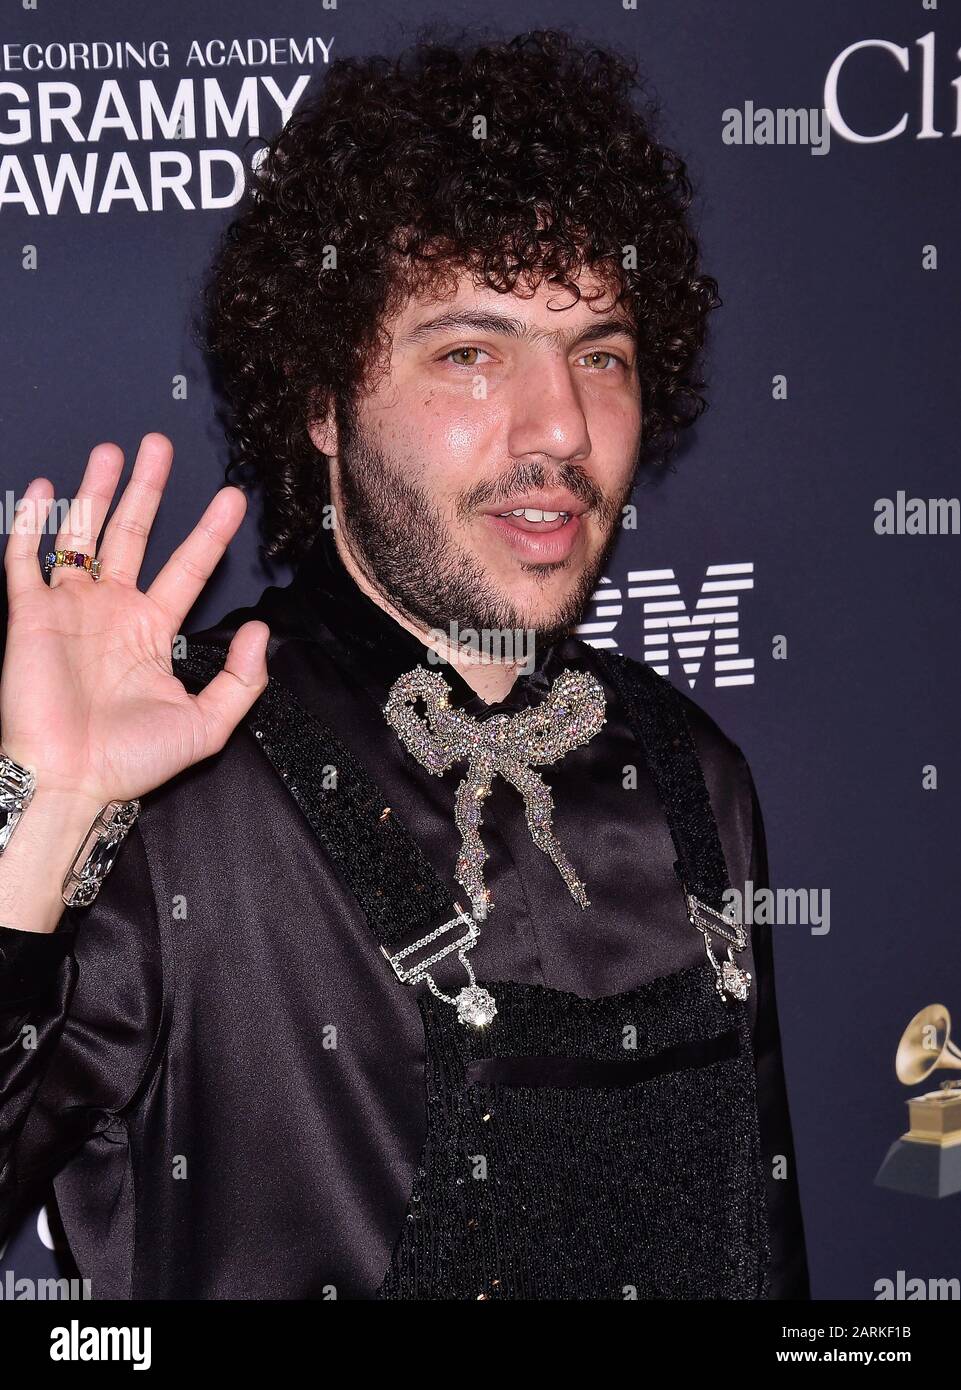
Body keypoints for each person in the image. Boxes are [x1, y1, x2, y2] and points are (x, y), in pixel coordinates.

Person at [0, 29, 809, 1300]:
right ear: (322, 400)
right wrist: (35, 821)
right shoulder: (161, 786)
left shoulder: (698, 779)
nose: (559, 428)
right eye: (469, 353)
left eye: (599, 352)